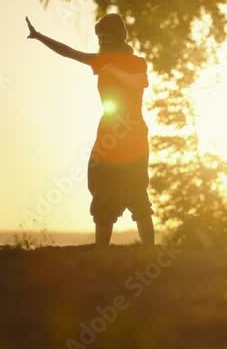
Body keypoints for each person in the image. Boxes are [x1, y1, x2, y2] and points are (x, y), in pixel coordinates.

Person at [26, 13, 155, 248]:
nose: (101, 42)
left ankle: (149, 252)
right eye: (99, 38)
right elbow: (69, 52)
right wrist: (39, 36)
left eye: (106, 37)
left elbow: (136, 83)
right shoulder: (101, 60)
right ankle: (101, 252)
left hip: (133, 133)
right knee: (103, 190)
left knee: (137, 191)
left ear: (118, 37)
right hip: (108, 133)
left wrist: (110, 69)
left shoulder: (137, 63)